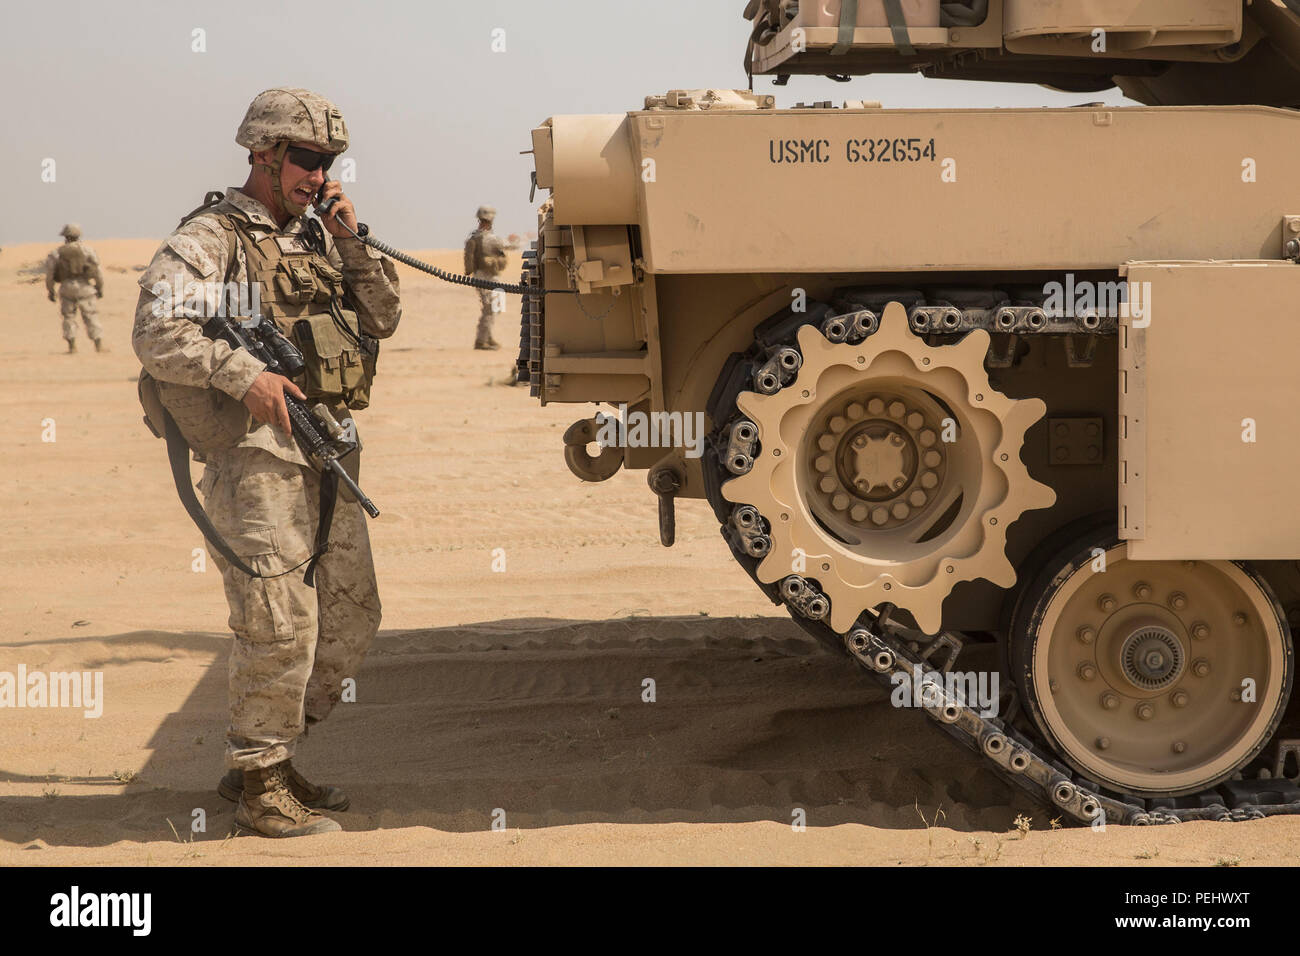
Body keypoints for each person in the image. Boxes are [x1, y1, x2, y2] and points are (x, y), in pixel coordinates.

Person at [132, 88, 401, 838]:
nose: (319, 175)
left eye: (329, 162)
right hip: (255, 458)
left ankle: (273, 755)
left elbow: (383, 316)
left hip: (326, 446)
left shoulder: (319, 235)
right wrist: (242, 376)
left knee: (350, 616)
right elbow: (157, 329)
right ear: (265, 155)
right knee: (278, 622)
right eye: (308, 160)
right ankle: (260, 782)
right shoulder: (214, 235)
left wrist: (350, 238)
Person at [45, 223, 105, 353]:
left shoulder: (56, 253)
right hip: (85, 286)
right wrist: (100, 288)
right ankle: (98, 345)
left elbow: (50, 274)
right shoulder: (87, 250)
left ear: (65, 236)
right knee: (91, 315)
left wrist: (51, 291)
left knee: (68, 317)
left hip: (66, 287)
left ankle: (72, 346)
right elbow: (98, 272)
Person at [464, 205, 508, 349]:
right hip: (484, 277)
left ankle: (487, 336)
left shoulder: (485, 237)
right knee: (489, 308)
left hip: (491, 276)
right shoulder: (481, 238)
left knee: (495, 307)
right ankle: (481, 340)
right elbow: (505, 245)